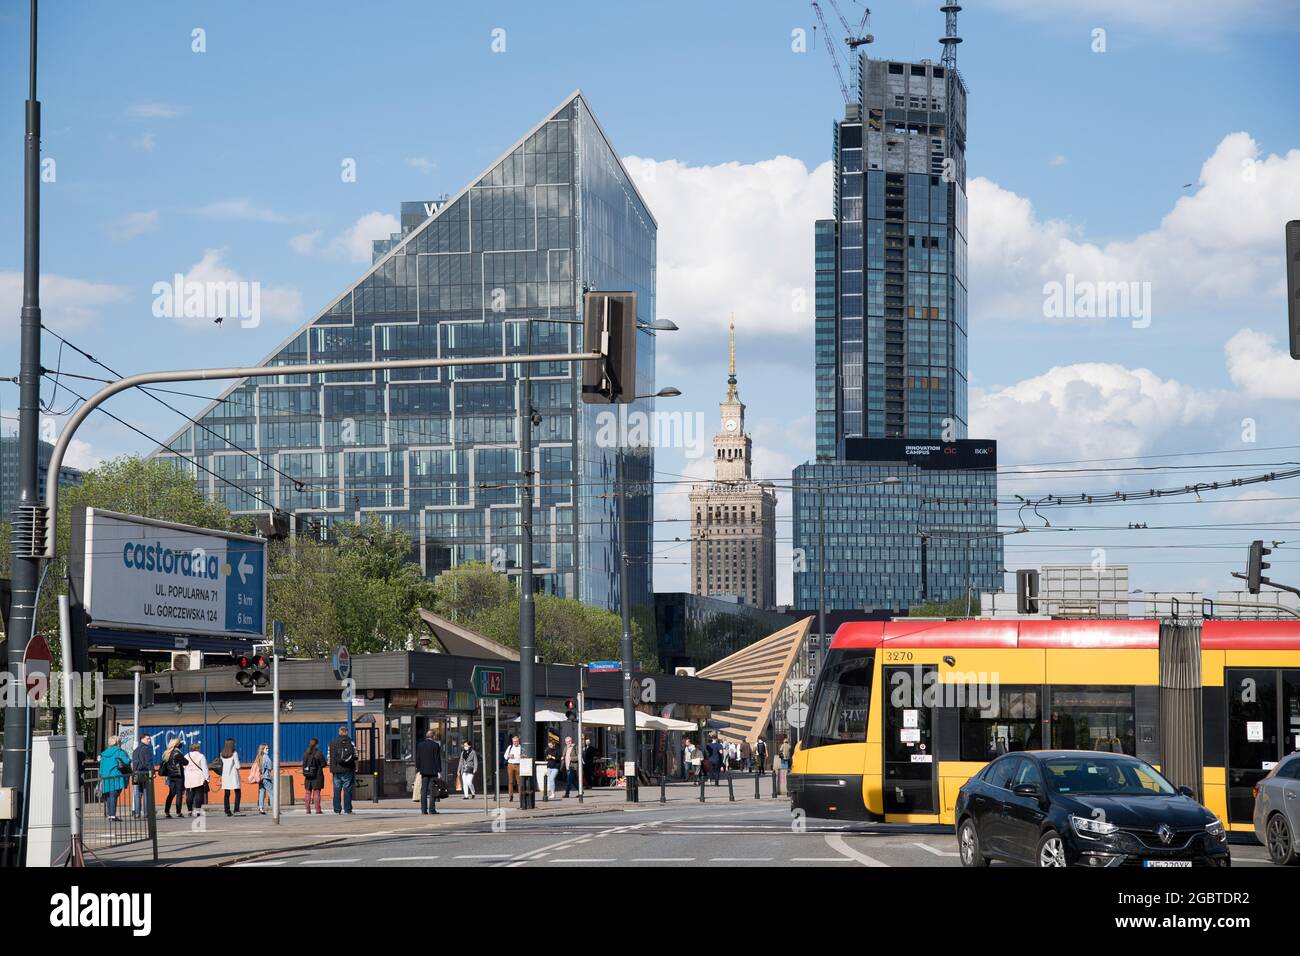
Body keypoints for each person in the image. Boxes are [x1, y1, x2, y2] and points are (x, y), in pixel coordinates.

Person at [98, 736, 131, 821]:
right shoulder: (119, 752)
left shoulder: (104, 753)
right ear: (118, 742)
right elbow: (127, 761)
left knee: (109, 796)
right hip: (116, 776)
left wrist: (101, 776)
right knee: (114, 795)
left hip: (106, 777)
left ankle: (110, 815)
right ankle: (112, 816)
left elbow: (101, 767)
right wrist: (129, 758)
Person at [329, 726, 358, 814]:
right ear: (347, 732)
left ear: (339, 732)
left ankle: (337, 810)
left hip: (336, 770)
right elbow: (356, 756)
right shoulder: (351, 742)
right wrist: (356, 767)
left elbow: (329, 757)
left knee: (337, 790)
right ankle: (348, 809)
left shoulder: (332, 743)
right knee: (347, 789)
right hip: (348, 769)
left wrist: (333, 767)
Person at [416, 728, 443, 814]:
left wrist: (418, 768)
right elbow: (437, 759)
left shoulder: (420, 745)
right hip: (433, 771)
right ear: (433, 736)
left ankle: (423, 810)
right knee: (432, 790)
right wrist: (439, 771)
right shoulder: (435, 745)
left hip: (423, 771)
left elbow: (418, 758)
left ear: (426, 736)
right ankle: (432, 809)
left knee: (423, 790)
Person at [214, 738, 243, 816]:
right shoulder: (234, 753)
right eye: (234, 743)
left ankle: (227, 810)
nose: (235, 744)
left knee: (227, 794)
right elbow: (238, 766)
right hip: (233, 776)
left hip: (225, 776)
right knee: (238, 793)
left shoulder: (222, 754)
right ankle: (236, 810)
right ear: (232, 745)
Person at [160, 737, 187, 818]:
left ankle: (167, 812)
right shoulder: (177, 753)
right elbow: (186, 762)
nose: (180, 744)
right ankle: (178, 812)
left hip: (170, 776)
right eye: (179, 743)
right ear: (177, 744)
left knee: (171, 794)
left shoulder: (166, 753)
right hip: (179, 776)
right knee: (179, 794)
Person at [182, 741, 208, 816]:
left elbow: (184, 766)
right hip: (199, 778)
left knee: (189, 795)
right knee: (198, 794)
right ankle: (197, 811)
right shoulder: (201, 756)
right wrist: (207, 778)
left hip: (188, 777)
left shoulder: (186, 756)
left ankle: (189, 810)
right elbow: (204, 768)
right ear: (198, 748)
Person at [130, 734, 153, 818]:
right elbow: (148, 762)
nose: (149, 740)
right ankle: (147, 813)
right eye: (147, 739)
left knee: (137, 793)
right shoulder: (146, 749)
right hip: (145, 773)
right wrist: (152, 772)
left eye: (149, 739)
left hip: (136, 773)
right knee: (146, 793)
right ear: (142, 739)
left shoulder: (135, 750)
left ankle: (137, 813)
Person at [301, 738, 325, 814]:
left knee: (308, 792)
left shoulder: (306, 752)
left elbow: (304, 764)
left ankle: (308, 810)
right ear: (317, 744)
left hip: (308, 775)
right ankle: (318, 810)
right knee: (316, 792)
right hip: (317, 775)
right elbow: (323, 764)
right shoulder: (318, 753)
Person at [249, 743, 274, 815]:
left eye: (268, 748)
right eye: (266, 748)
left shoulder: (258, 757)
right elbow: (270, 767)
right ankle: (274, 808)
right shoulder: (266, 757)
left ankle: (261, 808)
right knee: (271, 793)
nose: (268, 750)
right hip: (266, 777)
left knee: (262, 792)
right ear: (263, 749)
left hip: (260, 778)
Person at [504, 734, 522, 802]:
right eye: (514, 741)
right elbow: (505, 756)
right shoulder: (510, 747)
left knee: (519, 782)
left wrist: (521, 756)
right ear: (512, 741)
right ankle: (510, 796)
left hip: (519, 765)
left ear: (518, 741)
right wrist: (509, 756)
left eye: (516, 741)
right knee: (510, 781)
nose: (515, 743)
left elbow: (524, 756)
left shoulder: (521, 747)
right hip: (510, 765)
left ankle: (520, 796)